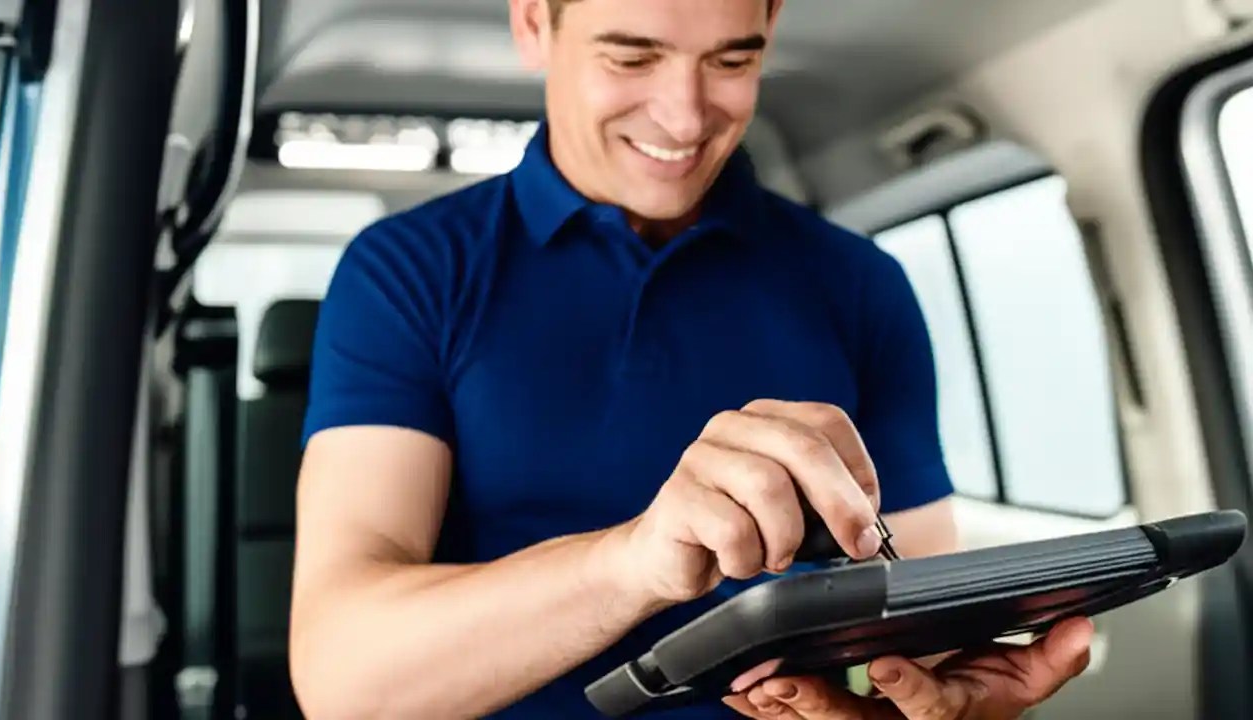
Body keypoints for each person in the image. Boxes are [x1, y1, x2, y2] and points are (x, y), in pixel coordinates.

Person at [287, 0, 1095, 718]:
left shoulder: (859, 284)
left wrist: (931, 703)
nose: (683, 117)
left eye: (731, 60)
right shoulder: (407, 270)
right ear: (535, 22)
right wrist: (636, 562)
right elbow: (345, 679)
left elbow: (913, 618)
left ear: (771, 27)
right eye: (632, 56)